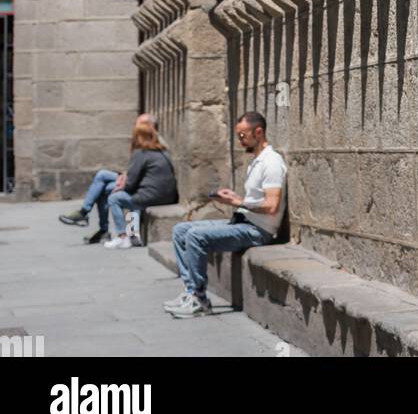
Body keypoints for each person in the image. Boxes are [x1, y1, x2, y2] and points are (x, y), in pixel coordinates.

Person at [165, 112, 286, 318]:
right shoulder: (257, 161)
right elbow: (255, 201)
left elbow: (272, 205)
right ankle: (190, 291)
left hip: (258, 231)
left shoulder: (272, 162)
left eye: (243, 135)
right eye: (238, 135)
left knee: (195, 236)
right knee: (180, 230)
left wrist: (238, 202)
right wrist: (235, 198)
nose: (240, 140)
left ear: (259, 132)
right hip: (242, 222)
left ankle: (199, 299)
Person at [58, 113, 159, 245]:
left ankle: (113, 231)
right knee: (103, 180)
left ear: (150, 126)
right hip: (136, 181)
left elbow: (140, 175)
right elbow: (137, 169)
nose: (135, 127)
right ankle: (97, 223)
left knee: (106, 186)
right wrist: (125, 176)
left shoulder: (151, 145)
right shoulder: (144, 144)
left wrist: (124, 183)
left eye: (140, 124)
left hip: (143, 187)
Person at [104, 117, 178, 249]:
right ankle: (133, 234)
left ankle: (122, 237)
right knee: (133, 197)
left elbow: (131, 183)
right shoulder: (162, 151)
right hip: (168, 196)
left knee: (114, 198)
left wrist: (120, 187)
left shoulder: (141, 153)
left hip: (152, 197)